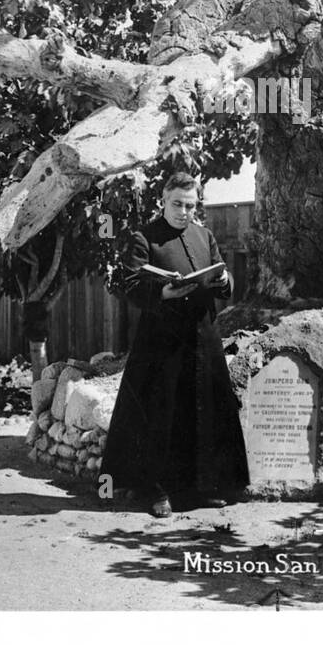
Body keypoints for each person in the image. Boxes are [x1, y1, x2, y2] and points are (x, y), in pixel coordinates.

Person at [100, 172, 250, 517]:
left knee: (204, 410)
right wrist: (163, 292)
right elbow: (130, 285)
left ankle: (204, 486)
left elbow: (222, 279)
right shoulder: (145, 237)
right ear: (163, 201)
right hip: (161, 341)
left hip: (203, 335)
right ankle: (157, 490)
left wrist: (225, 279)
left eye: (191, 206)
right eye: (178, 204)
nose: (184, 212)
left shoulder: (205, 235)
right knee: (162, 414)